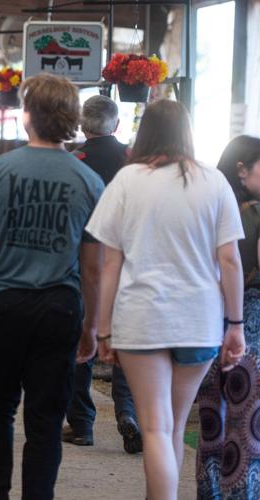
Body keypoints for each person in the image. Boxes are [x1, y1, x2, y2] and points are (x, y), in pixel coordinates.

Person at [0, 73, 104, 499]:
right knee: (46, 420)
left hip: (3, 306)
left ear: (27, 116)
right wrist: (92, 325)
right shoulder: (89, 182)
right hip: (60, 308)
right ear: (72, 119)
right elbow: (93, 268)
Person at [88, 100, 245, 500]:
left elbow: (109, 263)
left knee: (155, 428)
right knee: (173, 427)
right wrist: (235, 325)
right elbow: (230, 260)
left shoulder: (128, 181)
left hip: (141, 319)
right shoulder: (214, 183)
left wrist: (102, 329)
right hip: (200, 322)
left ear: (145, 133)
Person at [62, 95, 141, 453]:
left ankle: (81, 424)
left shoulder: (73, 161)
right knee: (126, 338)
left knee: (84, 336)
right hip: (129, 260)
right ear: (117, 125)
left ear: (82, 125)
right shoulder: (134, 160)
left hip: (85, 260)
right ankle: (128, 412)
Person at [198, 135, 260, 499]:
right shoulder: (254, 213)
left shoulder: (209, 206)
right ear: (242, 170)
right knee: (247, 426)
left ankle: (208, 493)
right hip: (249, 323)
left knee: (211, 422)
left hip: (207, 320)